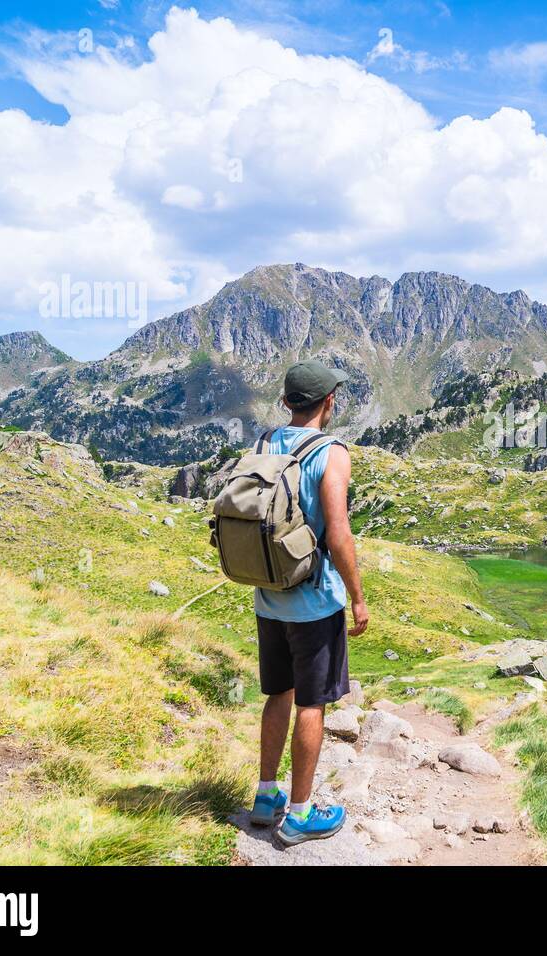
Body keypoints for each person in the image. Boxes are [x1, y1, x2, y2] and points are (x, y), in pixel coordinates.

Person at [247, 360, 369, 845]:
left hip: (267, 597)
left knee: (278, 692)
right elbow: (337, 533)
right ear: (329, 402)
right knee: (311, 703)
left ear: (287, 403)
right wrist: (357, 598)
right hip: (314, 603)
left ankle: (265, 796)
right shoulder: (332, 452)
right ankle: (298, 816)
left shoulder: (263, 443)